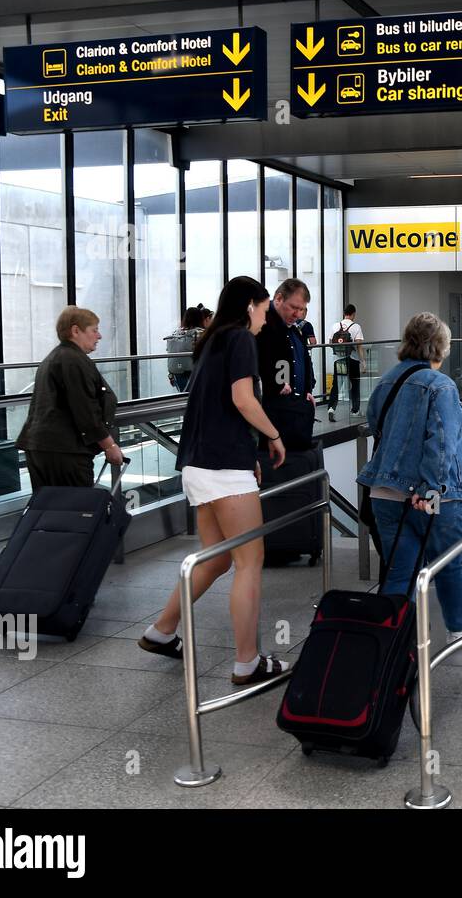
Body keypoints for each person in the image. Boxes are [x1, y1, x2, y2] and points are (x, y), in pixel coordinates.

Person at [140, 276, 292, 684]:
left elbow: (218, 407)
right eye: (263, 310)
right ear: (249, 306)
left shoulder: (212, 340)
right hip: (221, 467)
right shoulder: (241, 339)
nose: (264, 319)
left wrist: (247, 456)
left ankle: (162, 629)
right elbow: (243, 400)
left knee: (218, 555)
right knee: (249, 562)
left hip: (200, 463)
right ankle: (247, 662)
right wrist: (272, 436)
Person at [357, 312, 462, 644]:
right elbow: (441, 442)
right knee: (448, 563)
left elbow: (376, 427)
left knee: (401, 570)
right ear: (439, 347)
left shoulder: (386, 381)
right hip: (433, 498)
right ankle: (457, 626)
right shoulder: (441, 385)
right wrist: (430, 490)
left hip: (385, 491)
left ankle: (396, 639)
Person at [16, 307, 124, 490]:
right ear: (75, 331)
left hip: (41, 447)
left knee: (49, 510)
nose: (99, 336)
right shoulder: (74, 361)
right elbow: (86, 410)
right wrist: (109, 446)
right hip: (65, 452)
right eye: (94, 330)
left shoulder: (55, 357)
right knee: (74, 510)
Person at [256, 278, 315, 448]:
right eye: (294, 307)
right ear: (279, 299)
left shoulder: (292, 329)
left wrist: (307, 390)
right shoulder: (262, 326)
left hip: (294, 414)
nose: (297, 314)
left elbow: (302, 359)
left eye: (302, 309)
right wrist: (275, 384)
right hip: (273, 416)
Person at [327, 303, 365, 422]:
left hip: (339, 360)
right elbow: (359, 346)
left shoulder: (334, 326)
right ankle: (355, 411)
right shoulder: (356, 326)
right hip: (353, 360)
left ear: (344, 313)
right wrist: (363, 362)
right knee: (355, 385)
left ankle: (331, 408)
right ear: (353, 314)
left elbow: (330, 343)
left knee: (337, 385)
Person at [165, 305, 207, 392]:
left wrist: (171, 375)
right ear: (200, 319)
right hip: (194, 371)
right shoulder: (202, 333)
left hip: (176, 371)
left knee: (183, 395)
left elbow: (169, 350)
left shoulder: (176, 333)